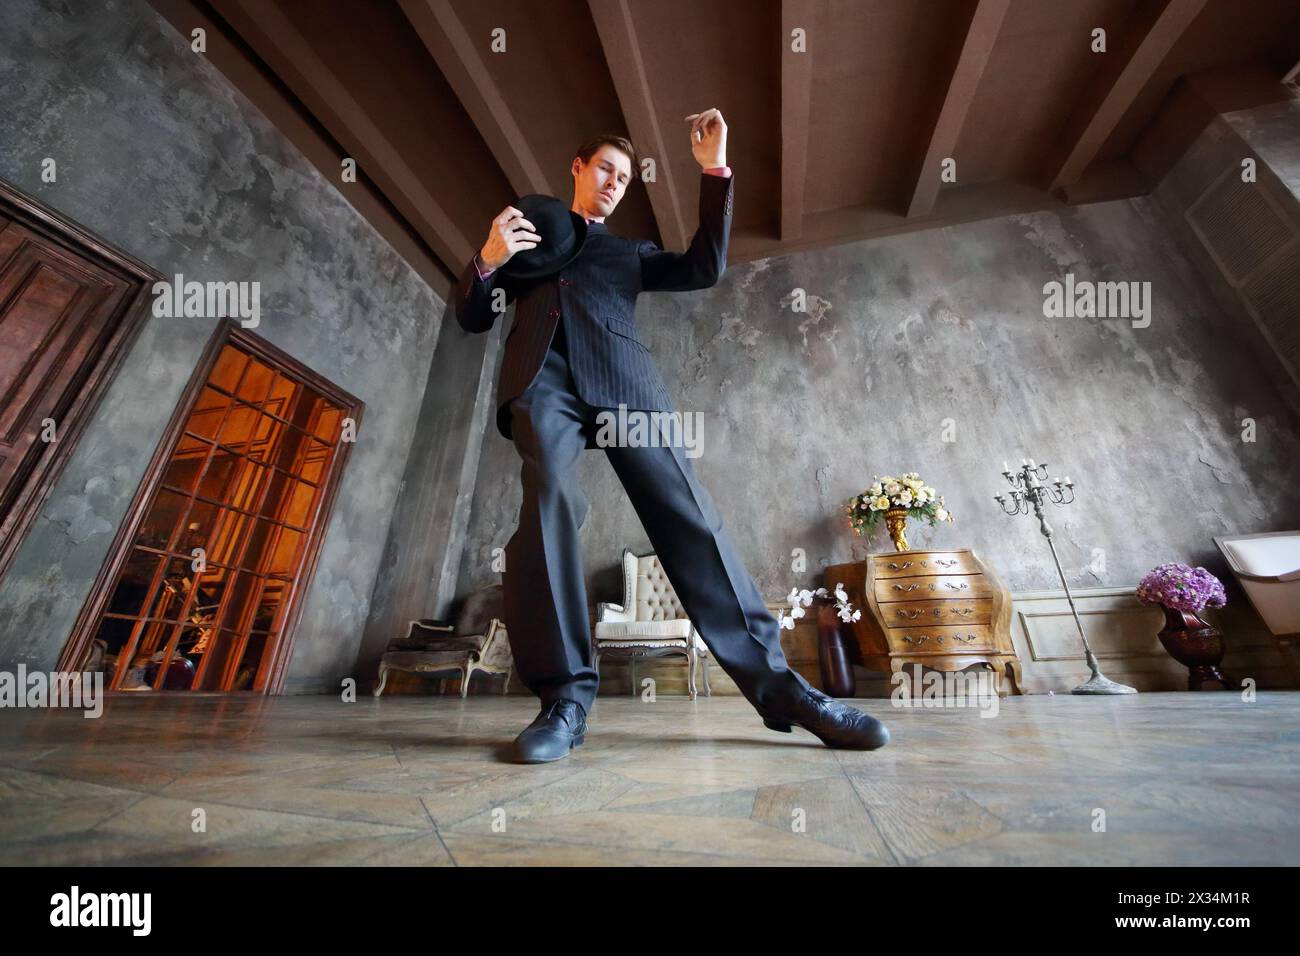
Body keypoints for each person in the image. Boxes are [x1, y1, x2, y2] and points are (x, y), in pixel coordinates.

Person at [453, 109, 890, 763]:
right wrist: (486, 264)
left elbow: (704, 267)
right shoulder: (530, 234)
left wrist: (714, 170)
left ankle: (786, 693)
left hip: (627, 389)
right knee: (548, 506)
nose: (614, 182)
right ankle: (564, 702)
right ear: (578, 167)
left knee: (692, 522)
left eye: (625, 177)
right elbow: (471, 316)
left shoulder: (626, 253)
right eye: (605, 168)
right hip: (543, 382)